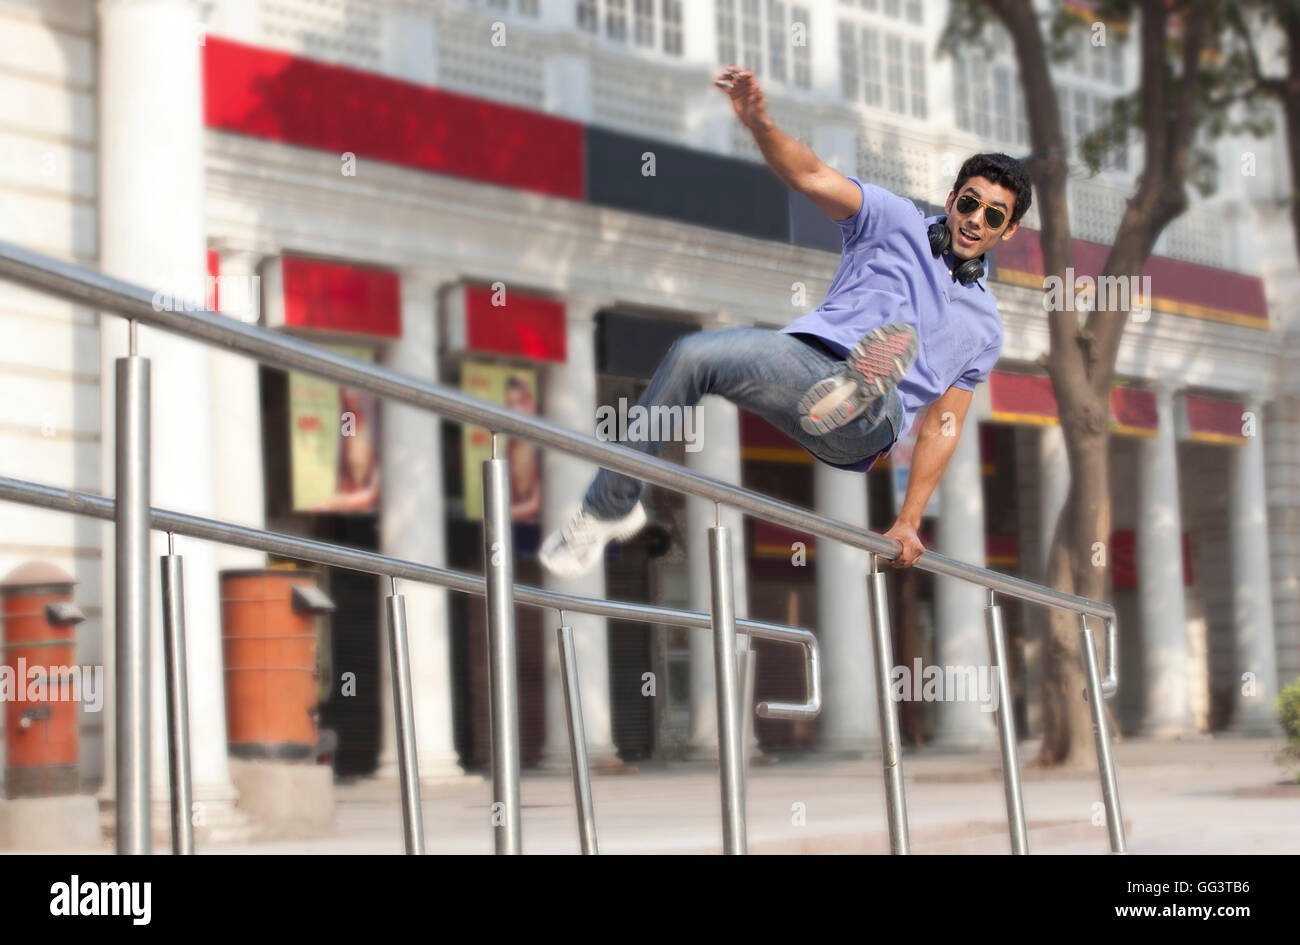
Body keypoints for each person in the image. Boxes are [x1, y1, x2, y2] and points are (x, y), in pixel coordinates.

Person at [540, 65, 1029, 579]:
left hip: (872, 423)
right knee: (693, 355)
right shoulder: (894, 218)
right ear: (952, 201)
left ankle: (859, 387)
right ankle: (610, 505)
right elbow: (811, 174)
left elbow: (943, 426)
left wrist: (908, 520)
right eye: (970, 203)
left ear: (1009, 230)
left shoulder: (985, 327)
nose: (976, 220)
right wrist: (758, 123)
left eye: (993, 215)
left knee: (884, 366)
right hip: (803, 366)